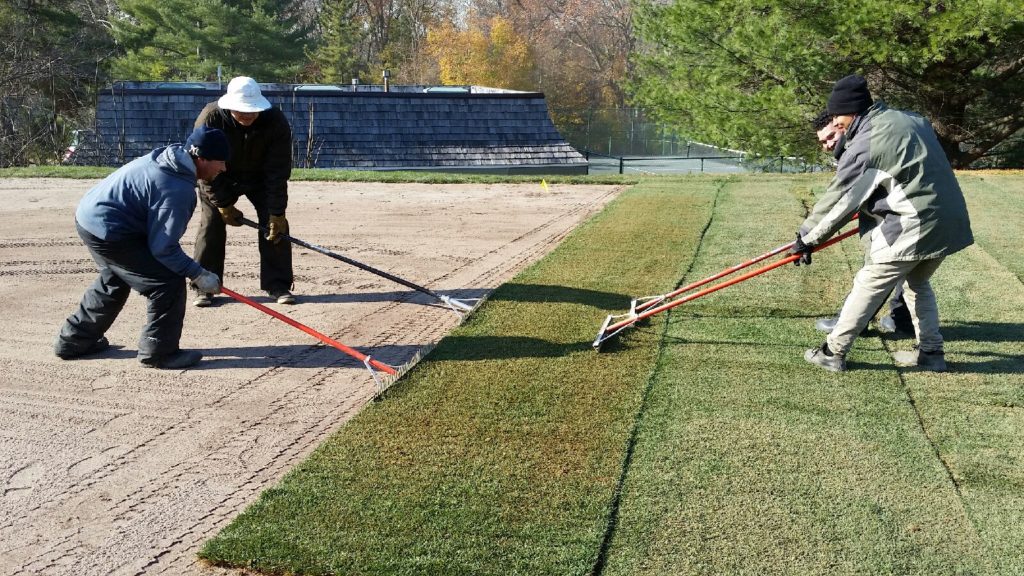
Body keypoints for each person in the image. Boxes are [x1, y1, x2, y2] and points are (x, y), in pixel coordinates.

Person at [791, 74, 974, 372]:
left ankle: (832, 352)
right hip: (947, 221)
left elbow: (841, 198)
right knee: (918, 284)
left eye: (838, 117)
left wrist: (806, 238)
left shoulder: (867, 143)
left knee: (870, 283)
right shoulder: (911, 119)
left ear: (852, 111)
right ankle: (931, 354)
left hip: (913, 224)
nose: (837, 123)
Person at [54, 126, 228, 369]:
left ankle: (74, 341)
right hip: (110, 230)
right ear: (201, 158)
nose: (223, 168)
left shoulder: (168, 158)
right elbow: (164, 249)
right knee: (167, 282)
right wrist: (197, 273)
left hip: (91, 218)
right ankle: (159, 352)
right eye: (220, 161)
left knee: (115, 277)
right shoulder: (177, 190)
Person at [808, 110, 914, 336]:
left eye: (830, 137)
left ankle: (853, 323)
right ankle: (903, 321)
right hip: (914, 213)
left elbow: (840, 201)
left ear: (843, 126)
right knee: (911, 270)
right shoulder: (869, 142)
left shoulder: (861, 149)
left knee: (876, 269)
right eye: (822, 142)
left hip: (902, 217)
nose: (826, 145)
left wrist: (806, 237)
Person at [191, 76, 295, 307]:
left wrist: (277, 212)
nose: (247, 115)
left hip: (260, 178)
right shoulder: (210, 118)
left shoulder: (275, 121)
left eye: (252, 110)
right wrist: (223, 204)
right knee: (211, 223)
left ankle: (278, 284)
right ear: (229, 106)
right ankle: (204, 286)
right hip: (218, 175)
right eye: (241, 111)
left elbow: (278, 171)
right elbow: (203, 164)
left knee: (275, 225)